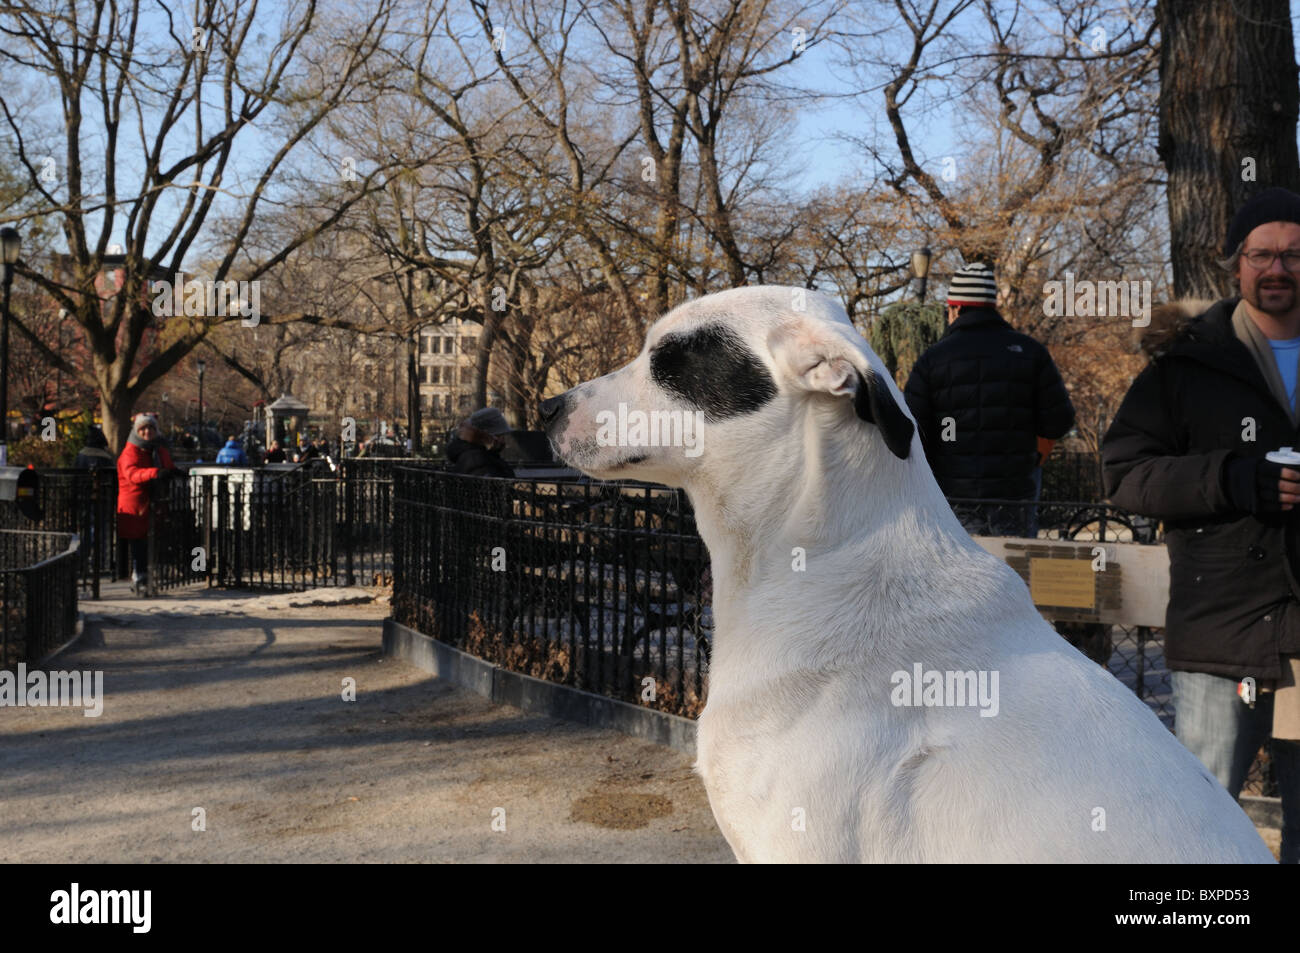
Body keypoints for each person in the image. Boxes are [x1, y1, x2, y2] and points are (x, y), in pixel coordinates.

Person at [1102, 186, 1300, 864]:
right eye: (1262, 254)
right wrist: (1231, 478)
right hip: (1222, 633)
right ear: (1235, 264)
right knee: (1199, 832)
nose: (1279, 269)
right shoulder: (1187, 364)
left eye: (1296, 255)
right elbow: (1124, 474)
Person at [903, 261, 1076, 536]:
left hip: (954, 497)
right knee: (1015, 569)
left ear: (955, 308)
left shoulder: (933, 360)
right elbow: (1059, 421)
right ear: (992, 306)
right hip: (1014, 495)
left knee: (960, 573)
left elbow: (913, 432)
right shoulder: (1030, 353)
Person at [116, 414, 178, 595]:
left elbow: (167, 466)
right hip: (135, 504)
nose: (147, 431)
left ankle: (147, 577)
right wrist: (155, 473)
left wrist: (173, 471)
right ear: (136, 431)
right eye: (143, 428)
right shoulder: (130, 452)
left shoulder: (157, 449)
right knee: (139, 543)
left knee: (150, 542)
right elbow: (132, 475)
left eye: (150, 428)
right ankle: (139, 577)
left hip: (152, 502)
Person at [446, 407, 515, 478]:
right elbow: (493, 487)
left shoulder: (481, 455)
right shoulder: (476, 460)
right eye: (500, 435)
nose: (503, 441)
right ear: (488, 436)